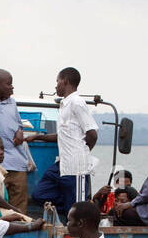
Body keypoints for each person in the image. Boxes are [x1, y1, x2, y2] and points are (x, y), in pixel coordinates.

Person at [26, 67, 96, 212]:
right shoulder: (65, 105)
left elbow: (92, 134)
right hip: (63, 164)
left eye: (57, 81)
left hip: (76, 168)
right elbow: (63, 136)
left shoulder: (77, 102)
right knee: (39, 194)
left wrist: (81, 155)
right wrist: (38, 136)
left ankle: (74, 220)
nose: (56, 85)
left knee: (78, 210)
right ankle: (67, 207)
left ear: (65, 81)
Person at [0, 69, 33, 214]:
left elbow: (18, 124)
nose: (12, 87)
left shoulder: (12, 102)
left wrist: (19, 131)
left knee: (20, 206)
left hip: (17, 163)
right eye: (8, 84)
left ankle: (21, 231)